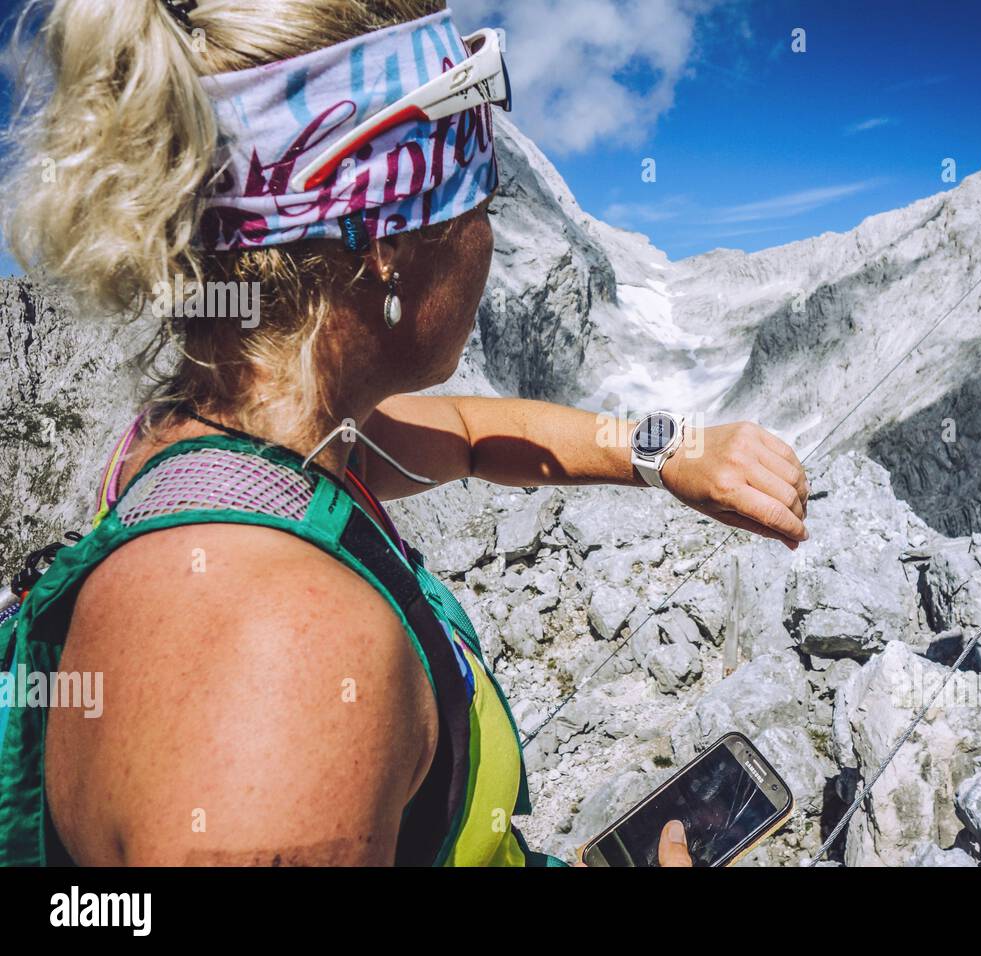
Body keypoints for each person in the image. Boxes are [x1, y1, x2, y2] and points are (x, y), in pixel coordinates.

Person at [0, 0, 808, 867]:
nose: (490, 239)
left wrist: (667, 449)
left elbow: (466, 431)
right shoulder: (285, 660)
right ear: (389, 239)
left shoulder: (223, 438)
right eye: (484, 199)